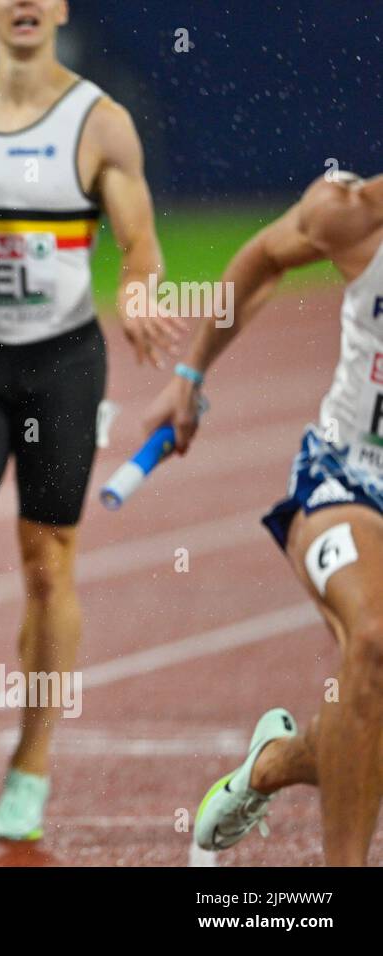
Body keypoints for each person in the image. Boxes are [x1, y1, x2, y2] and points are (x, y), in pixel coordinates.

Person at [0, 0, 178, 840]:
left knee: (48, 564)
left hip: (61, 362)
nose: (24, 4)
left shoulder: (100, 123)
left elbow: (142, 243)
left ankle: (32, 760)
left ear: (57, 9)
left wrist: (139, 288)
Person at [145, 171, 383, 866]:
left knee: (367, 726)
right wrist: (189, 376)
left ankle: (275, 764)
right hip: (349, 477)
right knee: (370, 640)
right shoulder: (354, 213)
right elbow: (260, 260)